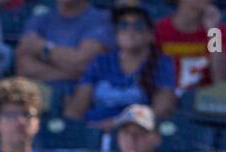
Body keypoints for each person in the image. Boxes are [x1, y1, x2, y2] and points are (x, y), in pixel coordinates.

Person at [64, 0, 176, 128]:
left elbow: (161, 108)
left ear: (151, 35)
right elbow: (76, 108)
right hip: (95, 131)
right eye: (123, 25)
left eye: (138, 25)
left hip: (136, 132)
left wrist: (117, 124)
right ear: (116, 33)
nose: (130, 30)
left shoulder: (161, 63)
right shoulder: (101, 61)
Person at [15, 0, 114, 91]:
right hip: (37, 94)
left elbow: (82, 64)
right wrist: (72, 72)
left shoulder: (100, 19)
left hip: (77, 97)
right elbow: (23, 67)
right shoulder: (40, 19)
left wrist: (43, 48)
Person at [154, 0, 226, 92]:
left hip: (203, 97)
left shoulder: (216, 31)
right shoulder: (159, 29)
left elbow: (220, 81)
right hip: (165, 95)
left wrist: (212, 31)